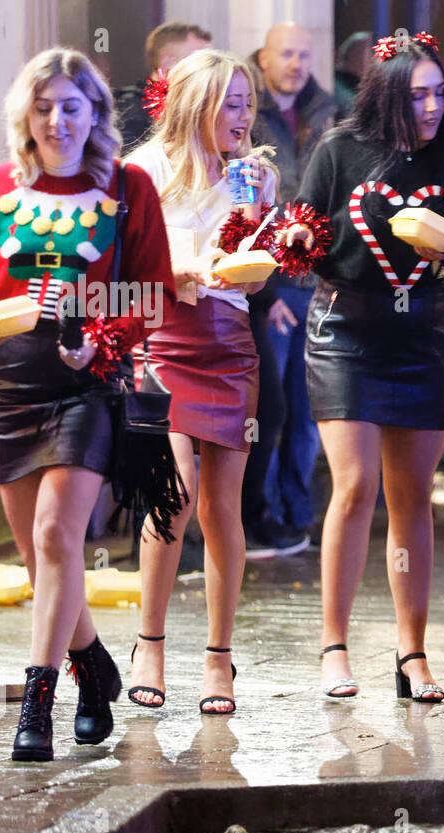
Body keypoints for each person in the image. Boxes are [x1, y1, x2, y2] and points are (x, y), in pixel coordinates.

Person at [0, 48, 175, 760]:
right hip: (9, 385)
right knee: (46, 560)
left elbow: (154, 293)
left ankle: (36, 705)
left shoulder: (129, 188)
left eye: (71, 105)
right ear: (25, 116)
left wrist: (100, 337)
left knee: (52, 537)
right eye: (43, 107)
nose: (57, 119)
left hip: (87, 384)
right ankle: (94, 663)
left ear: (94, 113)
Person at [292, 32, 444, 700]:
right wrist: (297, 238)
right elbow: (304, 233)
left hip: (421, 340)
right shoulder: (339, 150)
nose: (433, 106)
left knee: (415, 497)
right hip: (345, 330)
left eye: (440, 93)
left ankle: (411, 654)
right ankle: (334, 646)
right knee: (354, 486)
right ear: (386, 94)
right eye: (418, 95)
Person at [125, 49, 280, 714]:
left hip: (229, 343)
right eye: (232, 105)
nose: (244, 117)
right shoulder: (142, 170)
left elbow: (256, 256)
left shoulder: (252, 177)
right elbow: (123, 267)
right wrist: (175, 274)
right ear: (197, 106)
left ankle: (220, 658)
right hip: (163, 336)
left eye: (249, 103)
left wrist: (272, 247)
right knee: (174, 493)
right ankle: (148, 643)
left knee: (223, 506)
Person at [241, 21, 341, 558]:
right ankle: (263, 513)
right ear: (264, 56)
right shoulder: (246, 114)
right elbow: (246, 215)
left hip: (317, 281)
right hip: (271, 284)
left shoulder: (328, 111)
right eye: (287, 53)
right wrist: (268, 288)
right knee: (269, 406)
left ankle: (297, 513)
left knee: (308, 407)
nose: (297, 63)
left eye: (305, 54)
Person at [113, 22, 212, 151]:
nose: (210, 69)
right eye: (199, 60)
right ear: (168, 62)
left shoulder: (204, 105)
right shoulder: (130, 107)